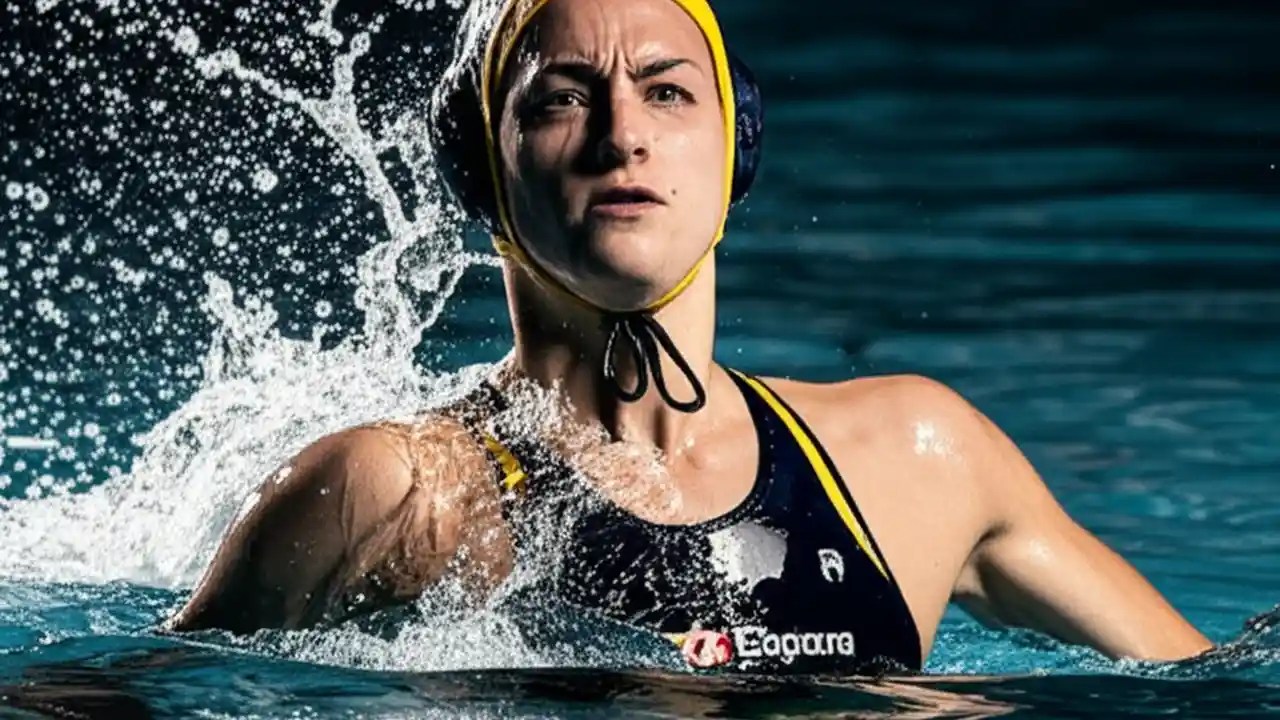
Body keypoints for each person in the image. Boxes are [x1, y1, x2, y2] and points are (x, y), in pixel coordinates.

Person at [168, 0, 1213, 673]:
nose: (622, 135)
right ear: (482, 170)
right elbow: (126, 699)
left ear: (733, 153)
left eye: (667, 91)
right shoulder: (394, 492)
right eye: (563, 100)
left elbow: (1213, 690)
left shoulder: (916, 459)